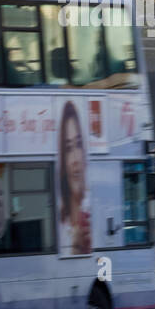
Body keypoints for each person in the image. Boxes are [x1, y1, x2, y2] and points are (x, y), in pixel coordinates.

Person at [59, 100, 91, 255]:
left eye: (78, 145)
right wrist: (75, 249)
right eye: (69, 148)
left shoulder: (92, 217)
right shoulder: (59, 226)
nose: (75, 159)